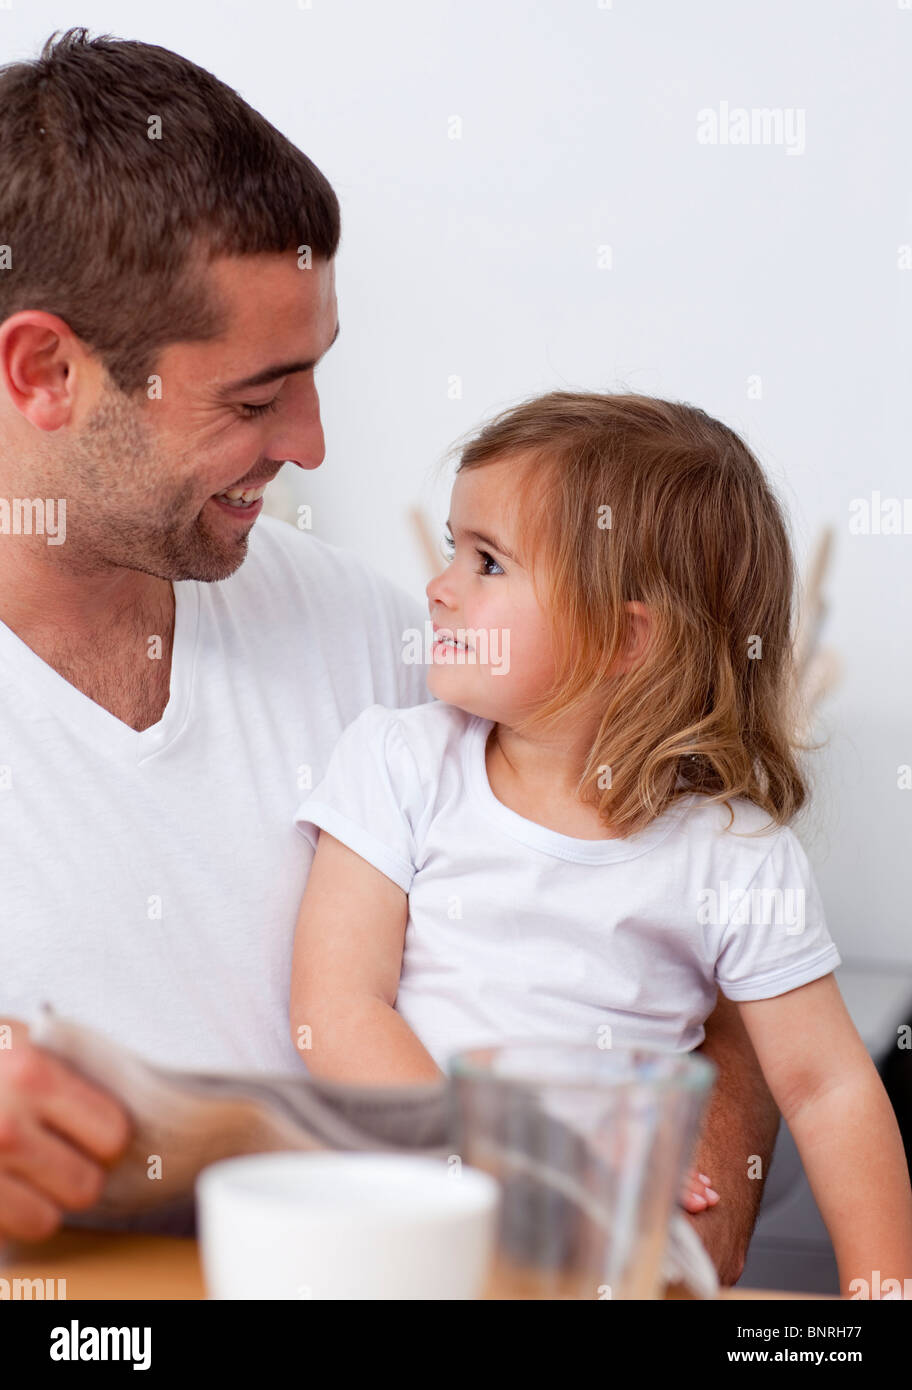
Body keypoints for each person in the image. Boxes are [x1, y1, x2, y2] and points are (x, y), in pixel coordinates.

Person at [0, 29, 776, 1284]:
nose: (308, 445)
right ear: (45, 372)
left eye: (314, 379)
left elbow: (720, 924)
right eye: (253, 400)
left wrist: (693, 1200)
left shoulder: (386, 639)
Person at [290, 391, 912, 1296]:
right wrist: (504, 1163)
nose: (439, 584)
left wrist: (882, 1292)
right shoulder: (398, 762)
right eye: (455, 549)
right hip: (405, 1218)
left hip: (610, 1250)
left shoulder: (734, 855)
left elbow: (829, 1088)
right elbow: (338, 1008)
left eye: (489, 562)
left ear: (625, 639)